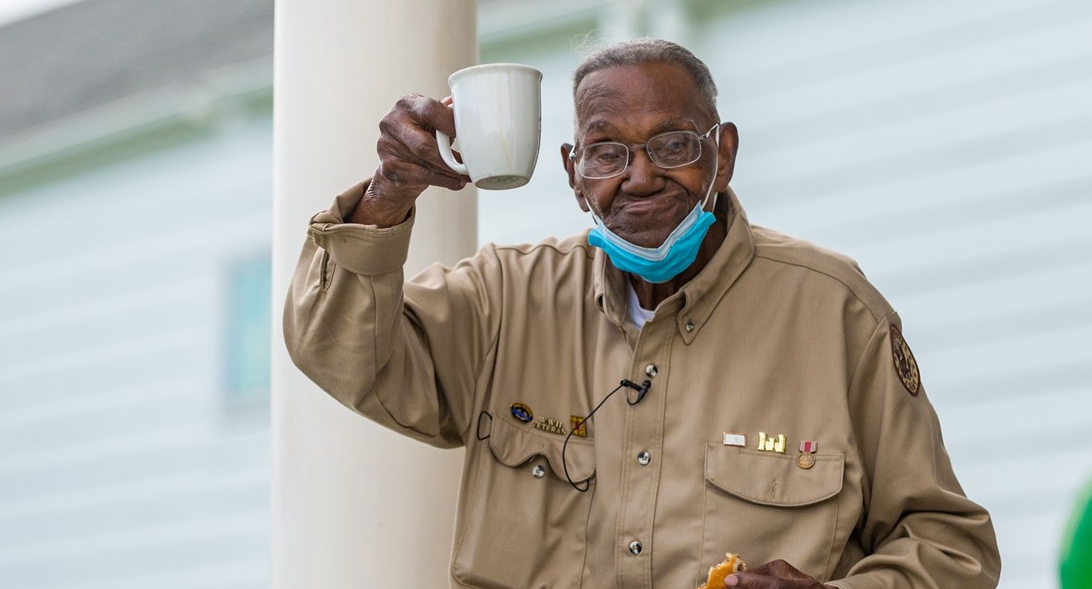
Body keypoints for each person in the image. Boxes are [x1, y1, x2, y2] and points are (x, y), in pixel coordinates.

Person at [283, 38, 1001, 589]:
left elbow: (950, 545)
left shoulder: (836, 311)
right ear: (572, 172)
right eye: (607, 151)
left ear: (723, 153)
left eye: (672, 144)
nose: (640, 174)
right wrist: (387, 195)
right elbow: (338, 351)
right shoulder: (503, 299)